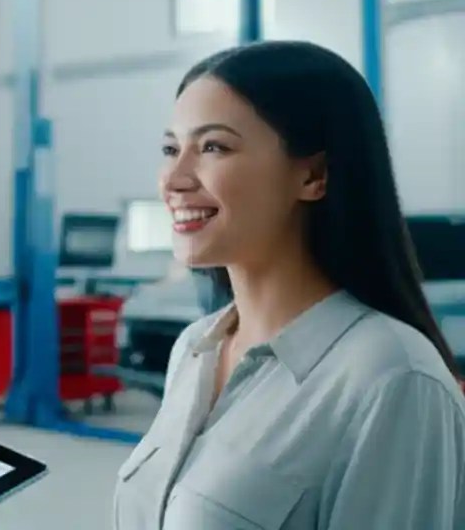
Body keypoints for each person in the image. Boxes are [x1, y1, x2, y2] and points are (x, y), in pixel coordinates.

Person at [114, 40, 465, 529]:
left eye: (213, 146)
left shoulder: (393, 379)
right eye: (171, 148)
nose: (173, 178)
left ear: (314, 175)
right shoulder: (195, 349)